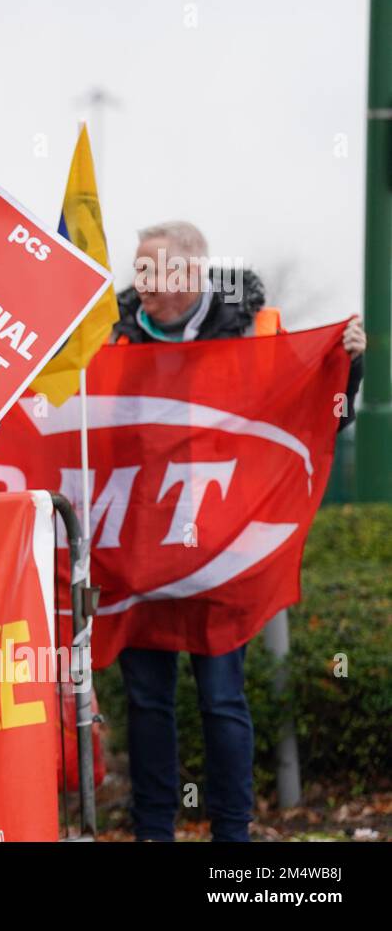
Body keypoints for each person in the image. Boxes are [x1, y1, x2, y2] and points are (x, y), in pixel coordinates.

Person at [112, 220, 366, 842]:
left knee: (221, 698)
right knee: (147, 701)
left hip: (223, 554)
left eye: (156, 271)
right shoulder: (111, 338)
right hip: (142, 550)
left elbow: (320, 418)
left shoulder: (257, 332)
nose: (142, 284)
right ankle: (152, 831)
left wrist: (347, 366)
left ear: (193, 274)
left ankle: (233, 835)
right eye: (138, 270)